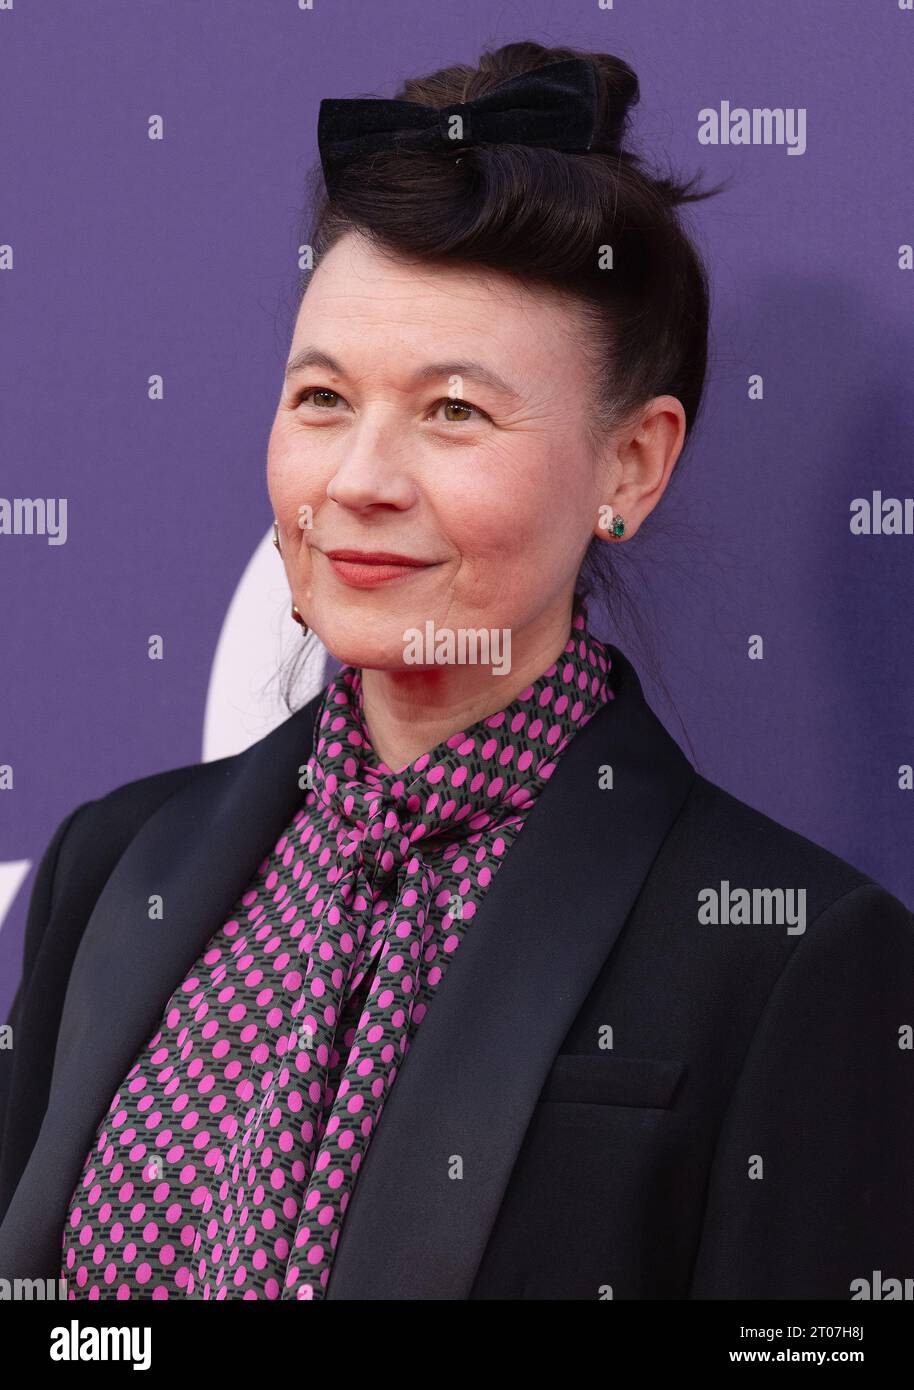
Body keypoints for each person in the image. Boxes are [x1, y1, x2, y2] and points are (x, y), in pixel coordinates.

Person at [1, 41, 912, 1301]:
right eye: (321, 398)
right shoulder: (113, 868)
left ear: (629, 468)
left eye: (454, 412)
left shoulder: (789, 957)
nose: (359, 480)